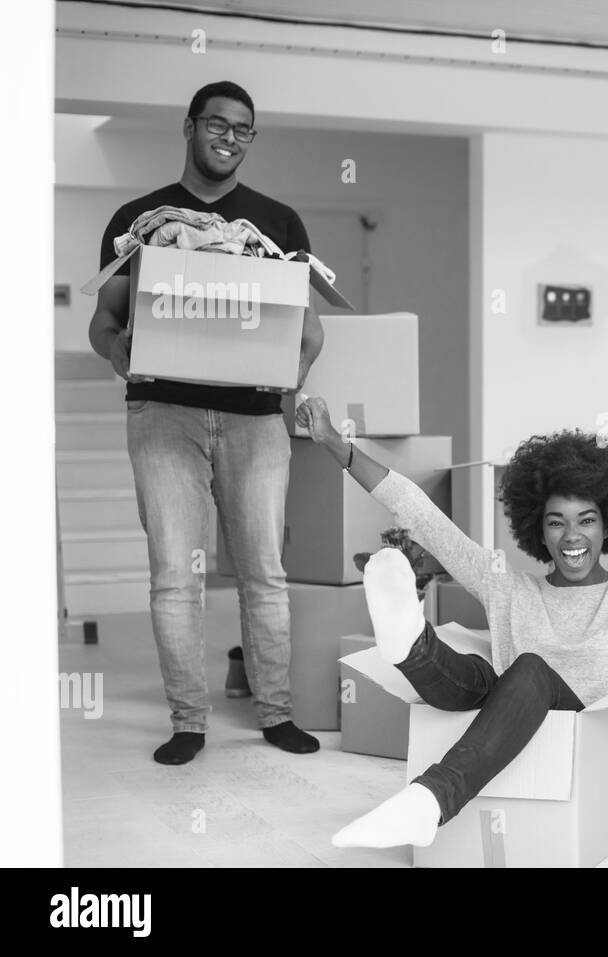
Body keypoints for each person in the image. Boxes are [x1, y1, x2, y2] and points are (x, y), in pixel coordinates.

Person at [292, 396, 608, 849]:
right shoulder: (508, 586)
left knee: (528, 669)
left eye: (586, 520)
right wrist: (333, 441)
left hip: (586, 729)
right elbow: (421, 515)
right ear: (538, 531)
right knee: (482, 676)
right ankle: (409, 644)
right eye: (556, 523)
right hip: (507, 714)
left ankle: (431, 796)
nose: (572, 537)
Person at [87, 81, 324, 765]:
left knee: (264, 572)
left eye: (243, 129)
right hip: (164, 412)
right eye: (216, 123)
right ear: (189, 127)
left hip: (256, 419)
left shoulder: (277, 224)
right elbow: (104, 319)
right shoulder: (139, 219)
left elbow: (309, 330)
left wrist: (294, 369)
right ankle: (188, 720)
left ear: (251, 139)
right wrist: (117, 349)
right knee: (173, 575)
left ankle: (275, 713)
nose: (228, 136)